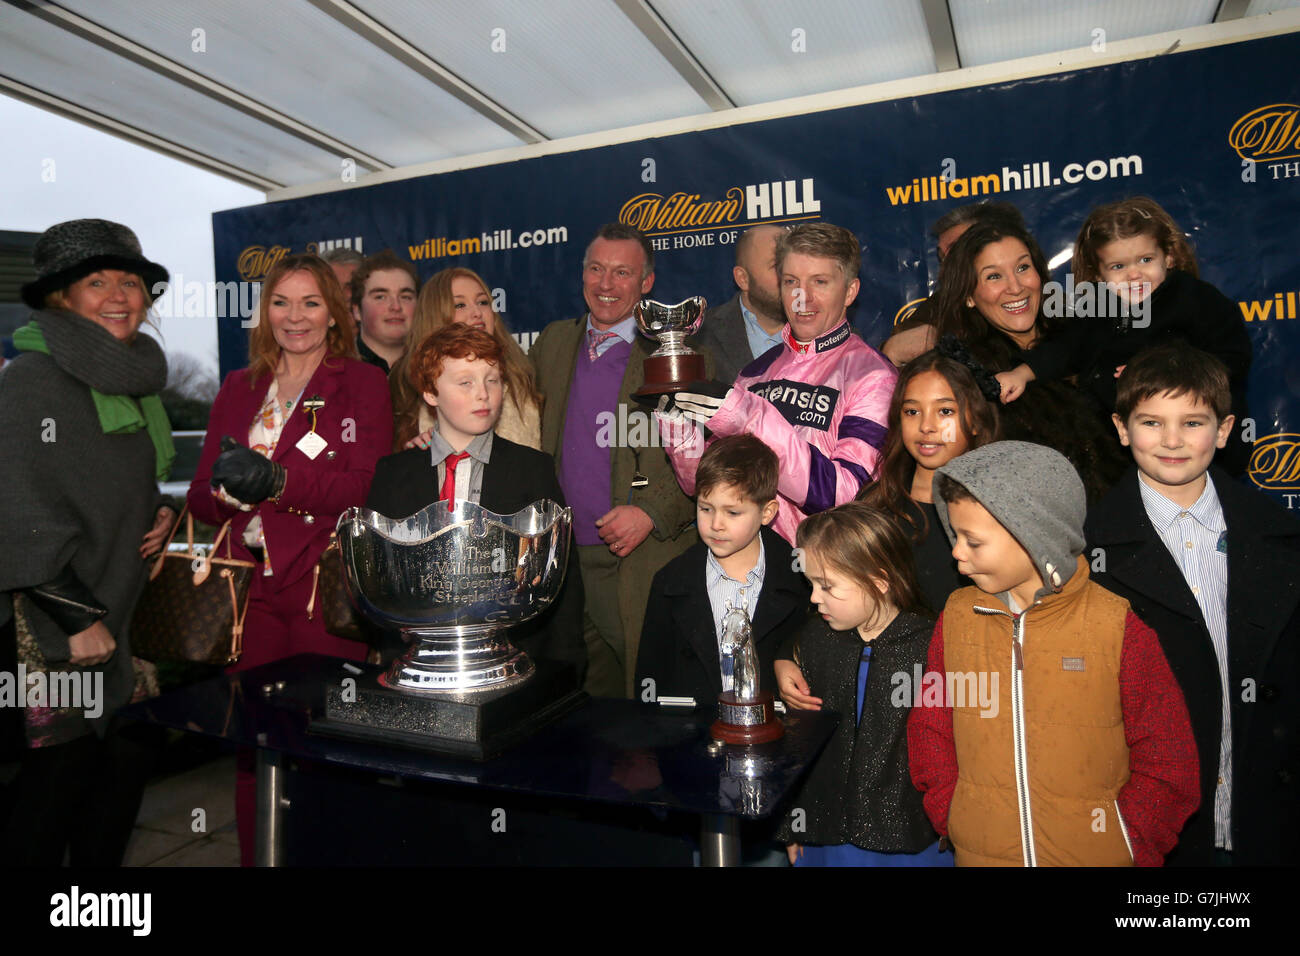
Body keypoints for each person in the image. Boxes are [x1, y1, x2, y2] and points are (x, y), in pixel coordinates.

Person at [188, 253, 392, 865]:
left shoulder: (361, 383)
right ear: (264, 312)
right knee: (254, 746)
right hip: (246, 595)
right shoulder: (238, 386)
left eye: (310, 303)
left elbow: (364, 487)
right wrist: (227, 490)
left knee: (325, 746)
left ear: (334, 313)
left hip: (317, 588)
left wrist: (276, 481)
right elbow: (200, 497)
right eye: (281, 302)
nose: (295, 316)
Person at [908, 441, 1201, 866]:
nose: (955, 552)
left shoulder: (1116, 628)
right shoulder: (957, 618)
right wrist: (952, 812)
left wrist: (1127, 839)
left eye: (972, 541)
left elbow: (1169, 759)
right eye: (956, 535)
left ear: (1035, 538)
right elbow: (930, 729)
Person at [0, 218, 177, 865]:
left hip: (126, 626)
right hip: (56, 636)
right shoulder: (33, 379)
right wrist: (75, 619)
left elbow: (114, 484)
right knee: (49, 801)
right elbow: (15, 507)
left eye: (129, 279)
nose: (119, 294)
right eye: (96, 281)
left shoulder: (133, 383)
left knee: (114, 797)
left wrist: (163, 511)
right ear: (60, 298)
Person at [1085, 344, 1299, 866]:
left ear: (1224, 431)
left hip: (1268, 816)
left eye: (1193, 422)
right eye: (1152, 422)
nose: (1173, 440)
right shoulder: (1085, 552)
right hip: (1152, 826)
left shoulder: (1282, 539)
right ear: (1121, 427)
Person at [530, 223, 705, 699]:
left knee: (645, 700)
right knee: (573, 704)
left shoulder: (677, 353)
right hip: (559, 562)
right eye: (596, 269)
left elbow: (709, 455)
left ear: (647, 282)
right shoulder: (553, 341)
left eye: (622, 273)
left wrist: (652, 513)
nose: (605, 285)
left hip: (637, 561)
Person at [365, 325, 585, 681]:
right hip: (420, 666)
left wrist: (562, 671)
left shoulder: (532, 468)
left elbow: (561, 577)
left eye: (493, 380)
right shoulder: (393, 474)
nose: (484, 395)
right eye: (465, 383)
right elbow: (381, 580)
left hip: (514, 665)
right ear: (430, 392)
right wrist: (397, 658)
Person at [659, 222, 897, 545]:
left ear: (851, 291)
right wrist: (679, 431)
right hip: (758, 574)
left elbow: (845, 494)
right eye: (791, 282)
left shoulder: (873, 377)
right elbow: (711, 487)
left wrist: (752, 417)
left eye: (820, 282)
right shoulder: (754, 373)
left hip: (830, 572)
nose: (803, 297)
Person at [995, 197, 1253, 473]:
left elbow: (1233, 356)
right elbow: (1065, 349)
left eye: (1145, 260)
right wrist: (1021, 373)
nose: (1134, 275)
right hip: (1120, 454)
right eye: (1118, 267)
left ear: (1169, 256)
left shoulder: (1195, 300)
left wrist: (1160, 373)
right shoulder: (1095, 307)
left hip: (1198, 451)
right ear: (1098, 274)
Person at [775, 502, 948, 867]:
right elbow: (798, 744)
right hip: (824, 836)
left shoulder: (930, 647)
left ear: (879, 581)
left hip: (911, 841)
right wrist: (792, 820)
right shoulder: (815, 640)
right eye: (810, 584)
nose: (813, 597)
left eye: (827, 585)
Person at [930, 219, 1128, 501]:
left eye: (1023, 268)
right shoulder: (965, 377)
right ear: (969, 296)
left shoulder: (1087, 336)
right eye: (993, 276)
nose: (1015, 287)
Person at [635, 435, 808, 707]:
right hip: (692, 740)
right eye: (706, 508)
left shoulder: (801, 579)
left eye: (733, 513)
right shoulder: (669, 583)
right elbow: (651, 678)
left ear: (767, 512)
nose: (716, 524)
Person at [392, 266, 542, 451]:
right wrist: (413, 454)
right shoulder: (404, 386)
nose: (477, 313)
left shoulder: (523, 375)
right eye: (460, 305)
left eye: (482, 302)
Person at [882, 202, 1027, 366]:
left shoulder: (1050, 307)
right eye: (943, 257)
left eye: (957, 249)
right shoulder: (939, 308)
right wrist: (891, 351)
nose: (948, 264)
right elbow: (900, 346)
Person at [695, 224, 787, 384]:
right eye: (776, 266)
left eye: (792, 265)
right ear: (743, 279)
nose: (789, 276)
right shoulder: (699, 336)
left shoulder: (825, 331)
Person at [349, 250, 418, 374]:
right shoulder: (335, 372)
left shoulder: (437, 368)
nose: (396, 306)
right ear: (357, 311)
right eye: (381, 297)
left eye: (405, 297)